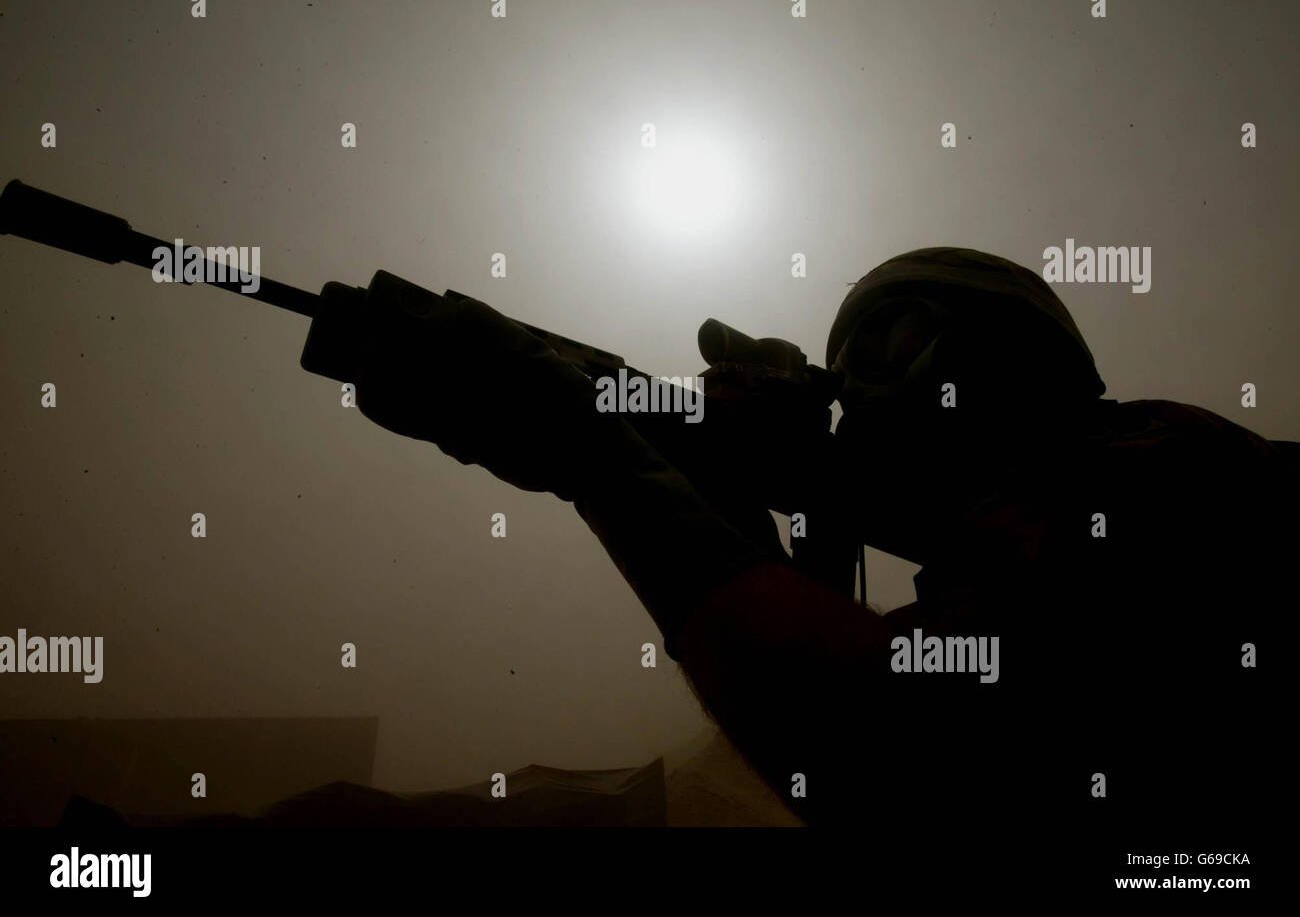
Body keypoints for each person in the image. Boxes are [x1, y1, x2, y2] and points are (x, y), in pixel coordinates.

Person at [353, 247, 1291, 854]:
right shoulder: (1006, 536)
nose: (853, 388)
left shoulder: (1147, 466)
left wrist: (597, 454)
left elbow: (885, 752)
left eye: (894, 342)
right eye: (845, 368)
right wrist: (755, 513)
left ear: (1012, 351)